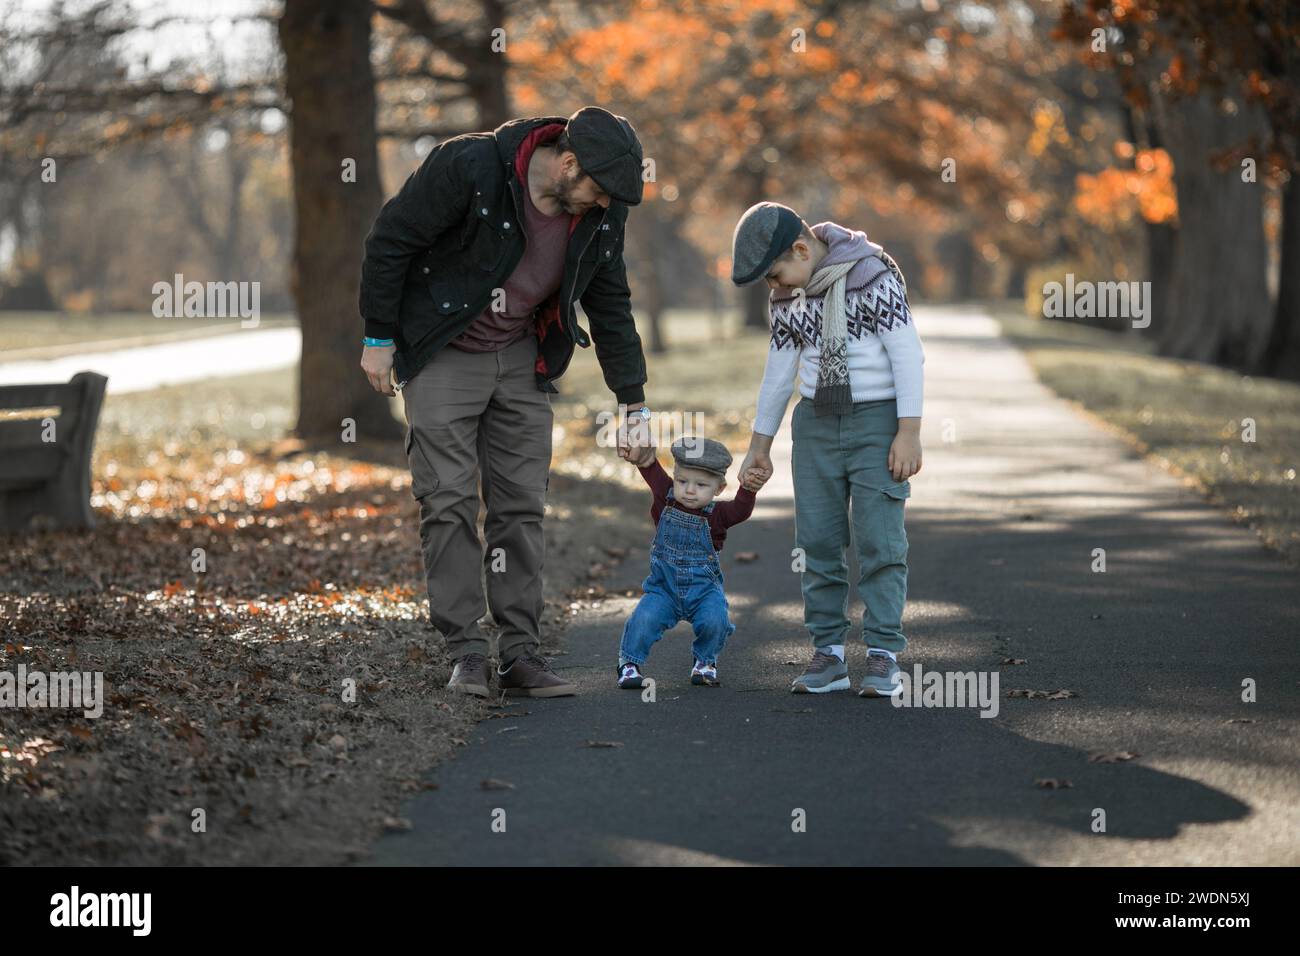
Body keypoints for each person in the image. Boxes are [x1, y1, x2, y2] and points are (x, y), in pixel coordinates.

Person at [358, 107, 653, 698]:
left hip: (523, 357)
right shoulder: (470, 166)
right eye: (597, 191)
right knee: (447, 502)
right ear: (567, 164)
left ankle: (520, 652)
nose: (602, 205)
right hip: (443, 351)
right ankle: (467, 652)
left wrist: (633, 402)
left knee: (522, 506)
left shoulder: (602, 212)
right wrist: (377, 337)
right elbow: (391, 241)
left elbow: (611, 303)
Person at [732, 202, 924, 697]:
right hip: (816, 423)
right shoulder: (788, 297)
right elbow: (780, 372)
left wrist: (909, 431)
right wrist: (760, 446)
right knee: (817, 540)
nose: (775, 287)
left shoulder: (871, 275)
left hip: (877, 421)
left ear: (801, 249)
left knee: (880, 540)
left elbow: (907, 354)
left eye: (776, 274)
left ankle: (882, 654)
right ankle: (830, 655)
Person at [618, 437, 766, 689]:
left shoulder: (718, 515)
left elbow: (741, 510)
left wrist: (749, 489)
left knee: (715, 620)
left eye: (701, 485)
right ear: (674, 477)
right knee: (643, 619)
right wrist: (643, 459)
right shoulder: (666, 499)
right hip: (663, 589)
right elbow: (651, 470)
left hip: (703, 591)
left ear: (719, 488)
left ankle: (704, 662)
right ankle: (629, 664)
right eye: (682, 481)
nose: (688, 490)